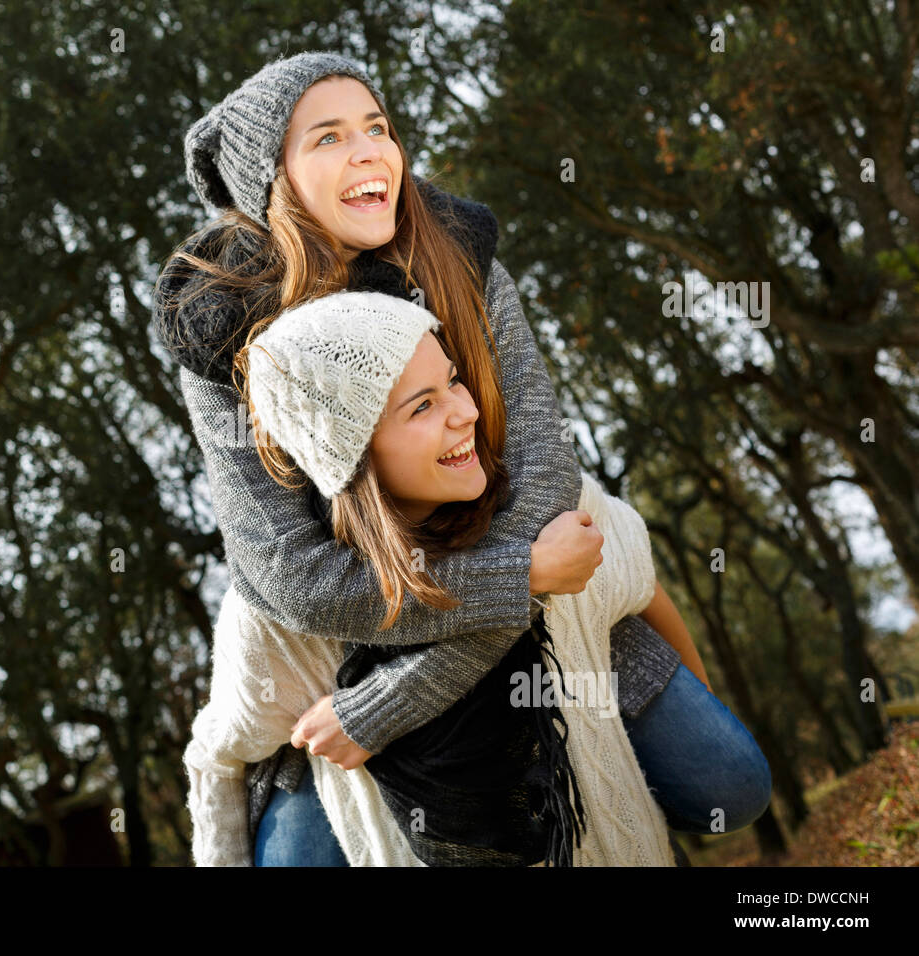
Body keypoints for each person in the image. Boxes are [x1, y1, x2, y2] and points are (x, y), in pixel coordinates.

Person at [153, 50, 770, 865]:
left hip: (501, 544)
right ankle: (293, 777)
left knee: (733, 788)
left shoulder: (458, 255)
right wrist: (505, 594)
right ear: (273, 181)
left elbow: (545, 468)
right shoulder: (222, 323)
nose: (371, 150)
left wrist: (402, 696)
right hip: (334, 629)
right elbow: (291, 576)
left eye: (378, 127)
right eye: (329, 138)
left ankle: (589, 724)